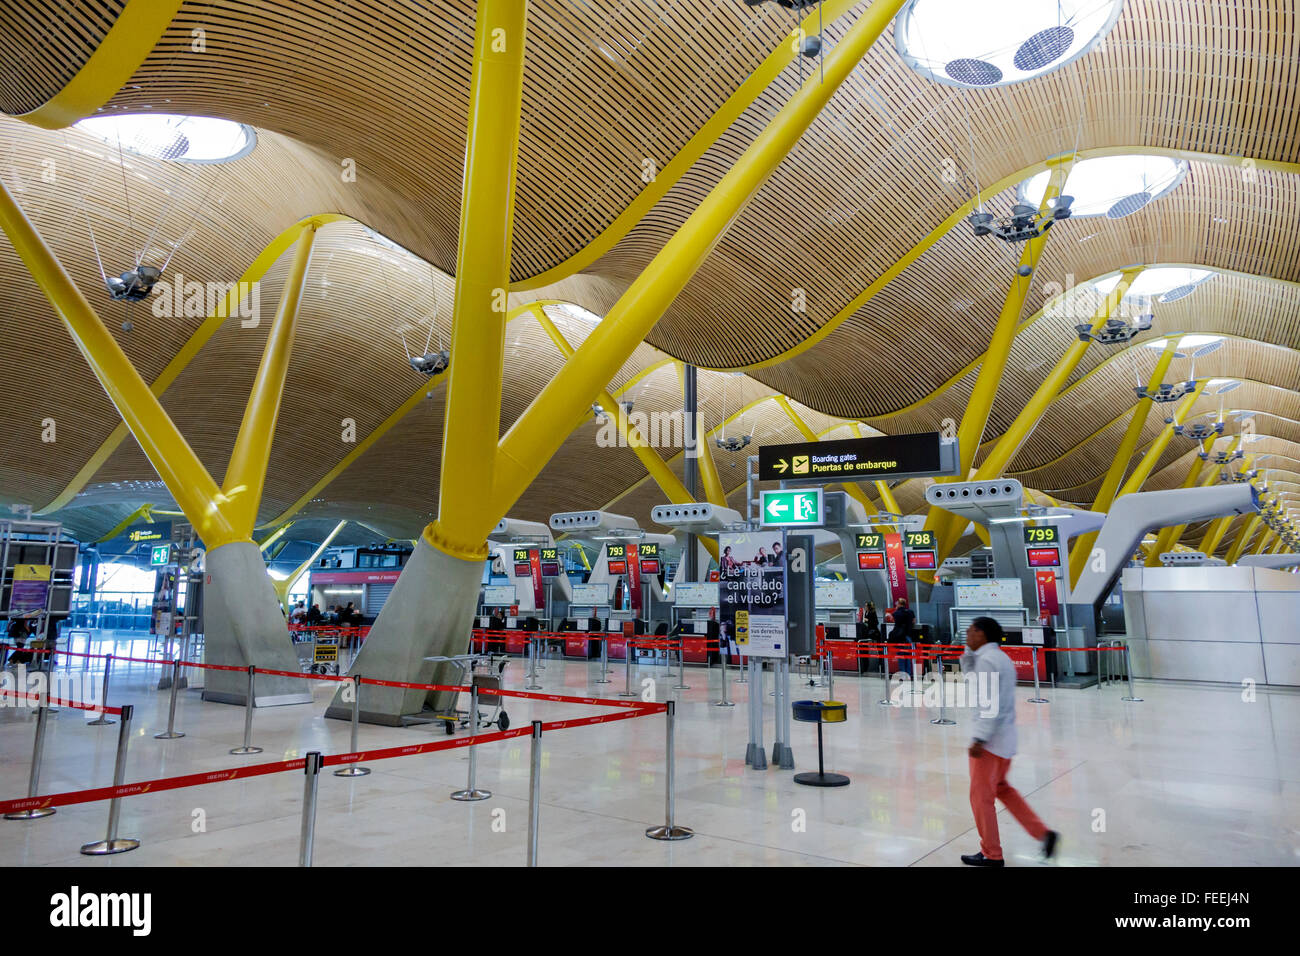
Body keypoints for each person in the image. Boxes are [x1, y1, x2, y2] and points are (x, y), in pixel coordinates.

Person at [959, 616, 1058, 867]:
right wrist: (968, 652)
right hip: (1005, 741)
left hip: (989, 743)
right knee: (1002, 788)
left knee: (981, 799)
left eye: (971, 631)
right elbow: (972, 678)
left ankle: (991, 854)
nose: (967, 634)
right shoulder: (998, 658)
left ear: (982, 634)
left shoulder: (987, 662)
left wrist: (980, 737)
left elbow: (989, 703)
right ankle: (1043, 834)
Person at [890, 598, 916, 676]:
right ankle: (908, 673)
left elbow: (892, 620)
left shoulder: (896, 613)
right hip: (908, 636)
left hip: (900, 637)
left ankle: (903, 674)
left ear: (899, 604)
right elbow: (914, 621)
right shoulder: (910, 612)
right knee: (908, 656)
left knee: (901, 656)